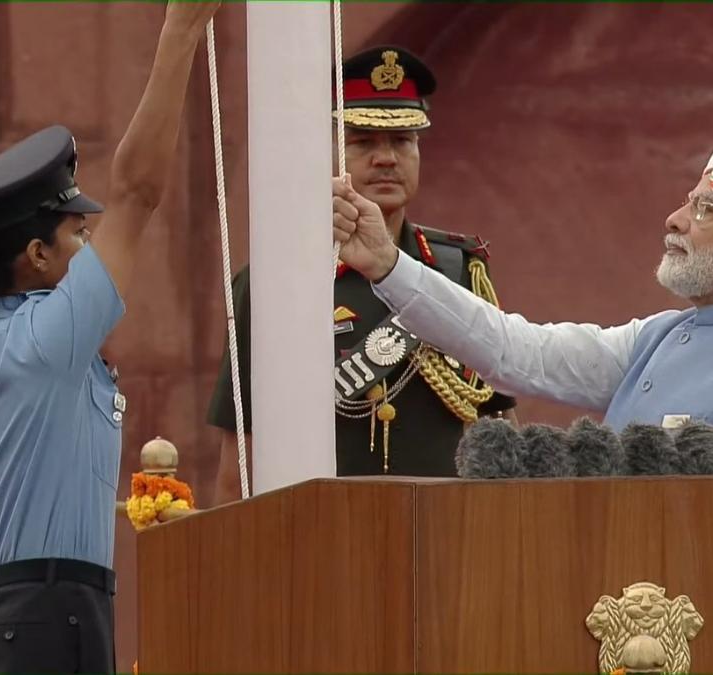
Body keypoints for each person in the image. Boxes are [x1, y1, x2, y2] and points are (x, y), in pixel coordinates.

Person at [333, 95, 713, 470]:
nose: (675, 220)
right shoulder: (659, 337)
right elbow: (517, 352)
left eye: (705, 210)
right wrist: (387, 263)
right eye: (689, 200)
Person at [0, 2, 218, 672]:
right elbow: (140, 191)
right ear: (37, 255)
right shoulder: (48, 339)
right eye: (76, 235)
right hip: (50, 622)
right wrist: (181, 30)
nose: (91, 243)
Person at [209, 46, 515, 502]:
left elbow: (499, 427)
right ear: (330, 154)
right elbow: (241, 460)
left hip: (450, 536)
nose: (386, 158)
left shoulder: (459, 270)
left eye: (402, 141)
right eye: (363, 142)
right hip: (325, 534)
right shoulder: (277, 284)